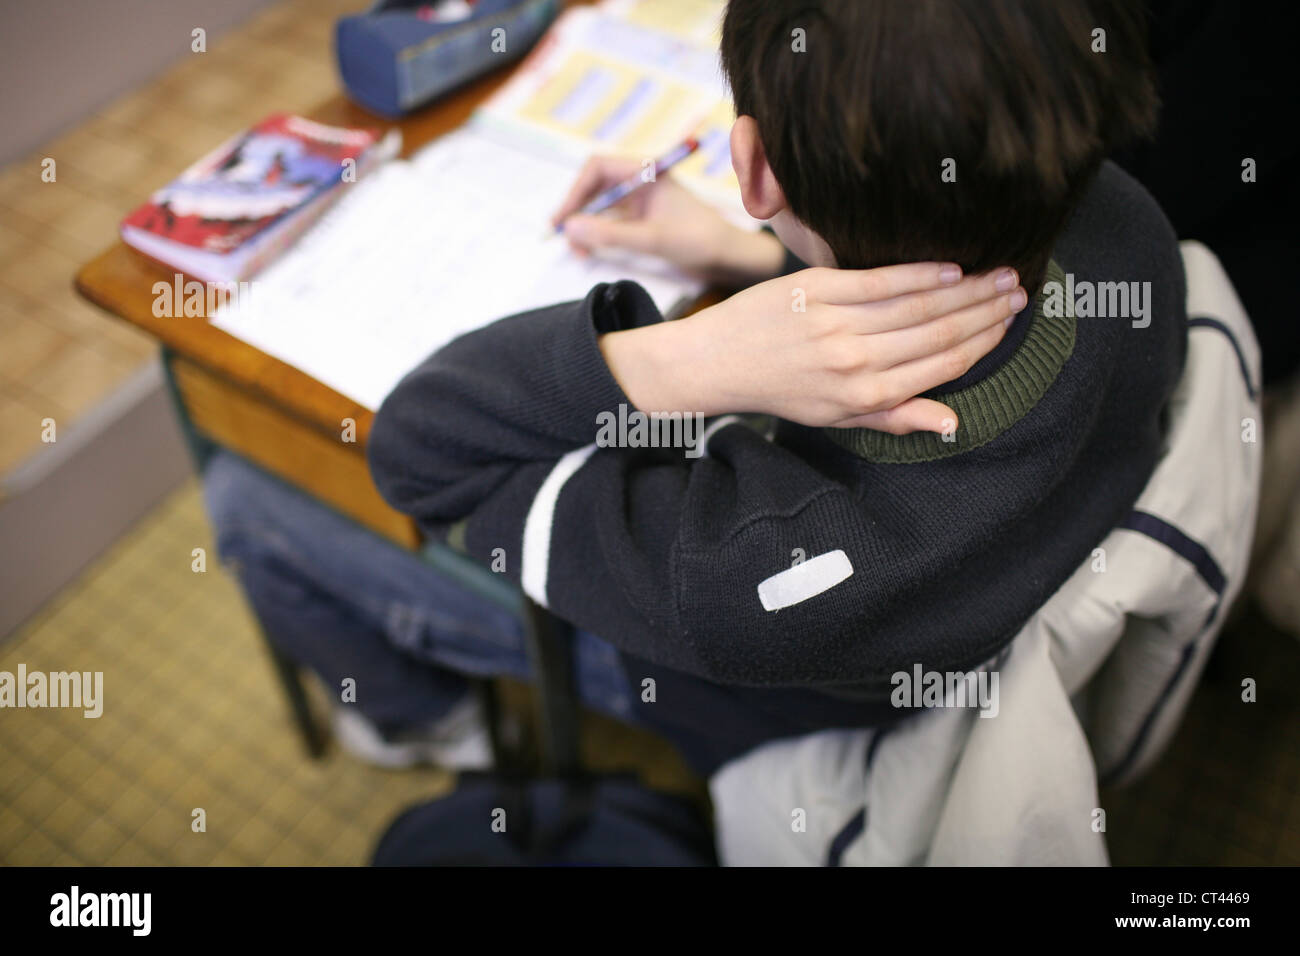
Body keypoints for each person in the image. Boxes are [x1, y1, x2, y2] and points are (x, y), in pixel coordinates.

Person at [207, 0, 1182, 775]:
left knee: (246, 500)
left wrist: (670, 358)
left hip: (752, 682)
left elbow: (421, 454)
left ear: (750, 165)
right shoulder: (1123, 228)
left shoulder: (737, 566)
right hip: (966, 587)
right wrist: (738, 257)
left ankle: (435, 725)